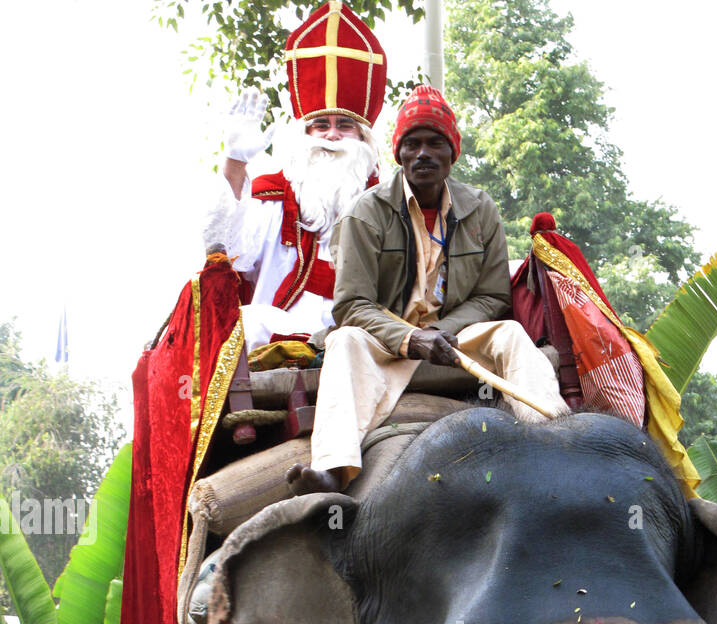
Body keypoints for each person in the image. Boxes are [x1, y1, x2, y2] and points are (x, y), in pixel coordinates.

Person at [289, 84, 570, 494]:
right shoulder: (366, 212)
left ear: (451, 153)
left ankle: (558, 443)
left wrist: (444, 333)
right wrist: (413, 339)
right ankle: (332, 469)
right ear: (399, 154)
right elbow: (351, 305)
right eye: (413, 144)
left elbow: (494, 298)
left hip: (456, 339)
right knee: (345, 340)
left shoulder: (480, 208)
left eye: (435, 143)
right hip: (384, 343)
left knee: (510, 333)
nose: (424, 154)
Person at [201, 2, 386, 351]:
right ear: (305, 134)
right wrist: (235, 164)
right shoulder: (274, 195)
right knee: (248, 320)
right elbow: (228, 253)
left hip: (365, 341)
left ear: (364, 138)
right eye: (320, 125)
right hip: (280, 336)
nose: (331, 136)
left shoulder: (390, 202)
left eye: (344, 125)